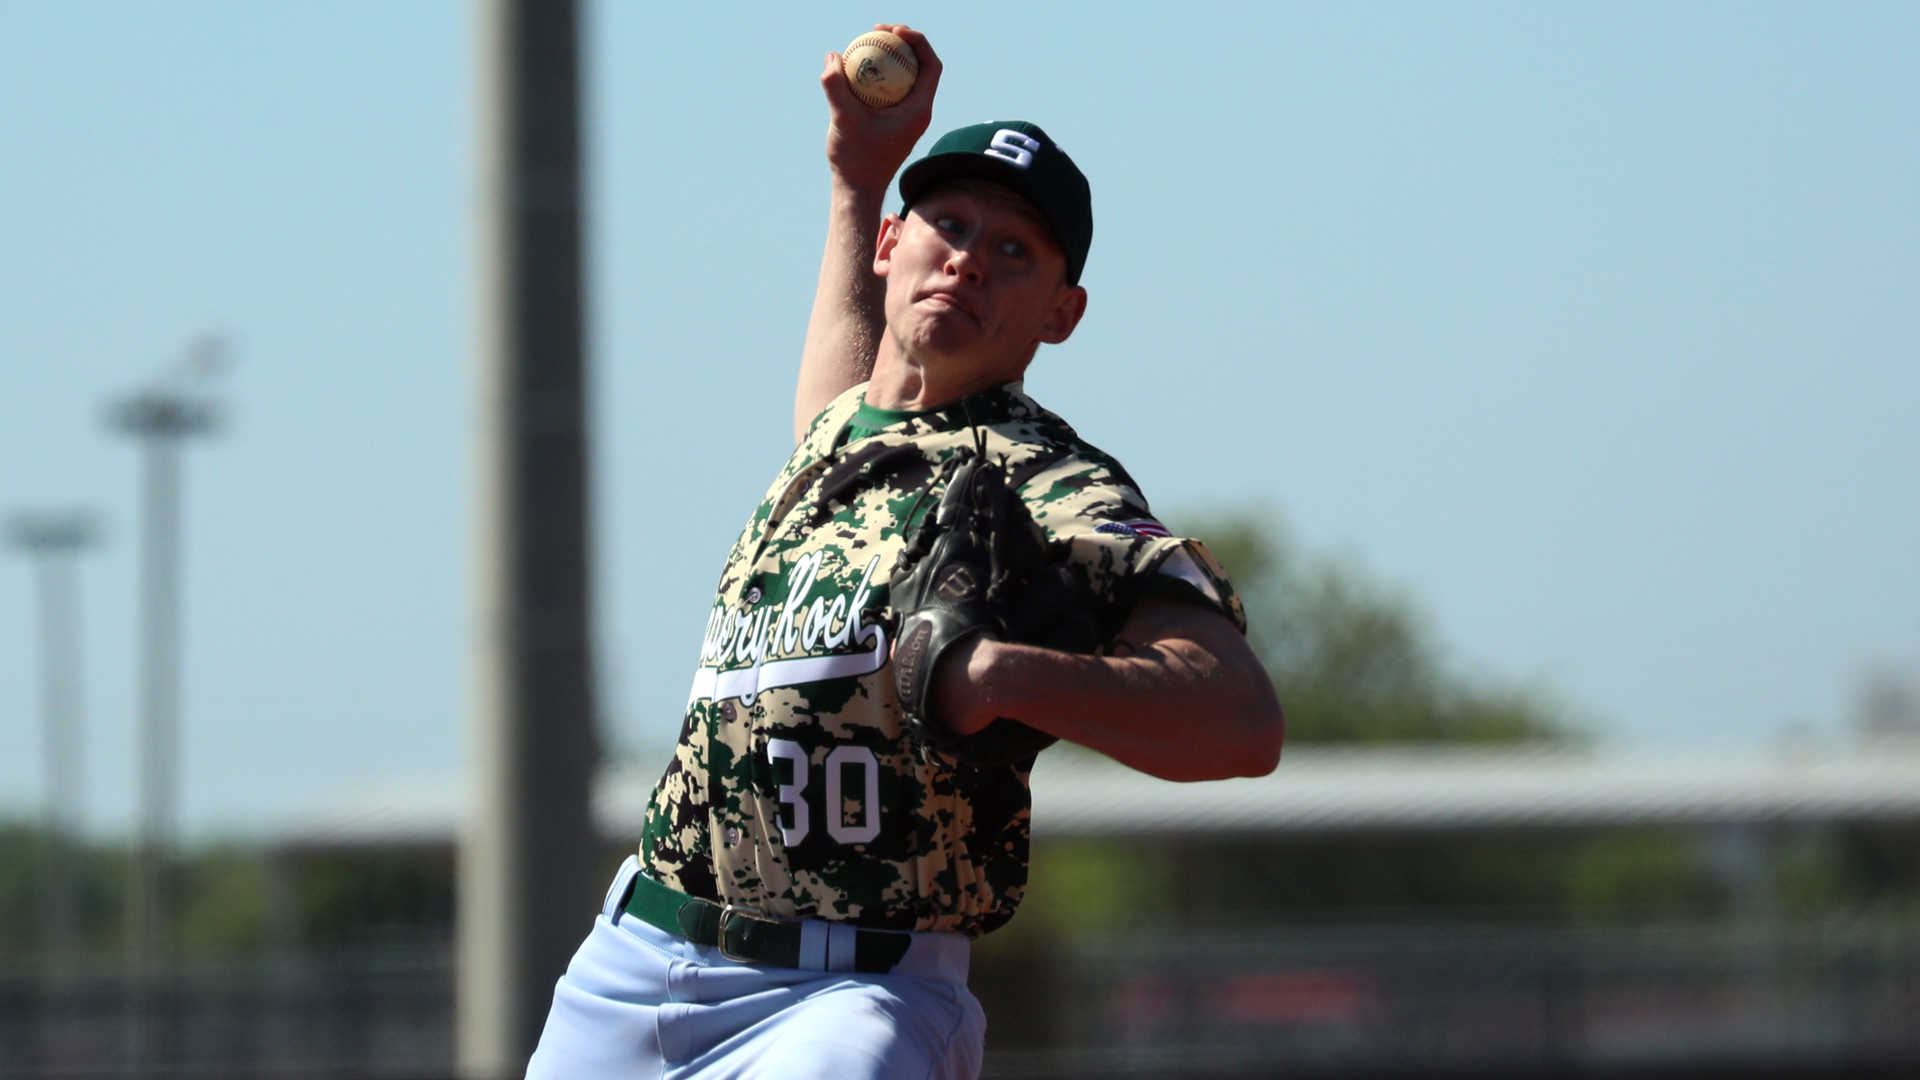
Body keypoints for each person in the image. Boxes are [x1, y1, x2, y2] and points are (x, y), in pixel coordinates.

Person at [525, 25, 1283, 1080]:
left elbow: (1239, 719)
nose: (967, 256)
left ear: (1062, 314)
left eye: (1014, 249)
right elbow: (844, 388)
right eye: (948, 223)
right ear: (893, 244)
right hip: (634, 958)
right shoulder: (840, 435)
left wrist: (1002, 674)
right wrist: (855, 180)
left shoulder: (1047, 482)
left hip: (848, 996)